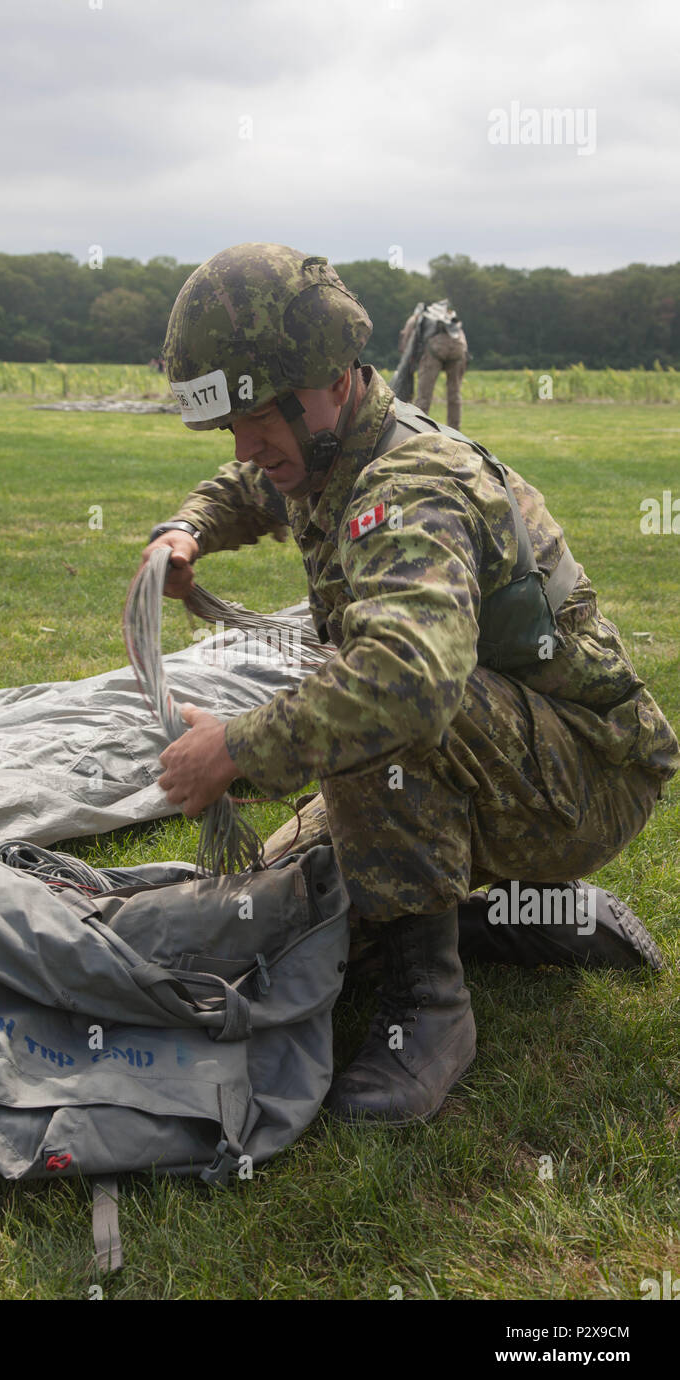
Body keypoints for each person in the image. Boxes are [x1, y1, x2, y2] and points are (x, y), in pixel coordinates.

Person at [136, 242, 679, 1127]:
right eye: (229, 422)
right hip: (528, 756)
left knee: (368, 703)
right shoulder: (327, 447)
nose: (247, 442)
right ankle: (515, 916)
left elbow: (406, 682)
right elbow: (254, 483)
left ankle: (431, 1009)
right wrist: (187, 529)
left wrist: (232, 751)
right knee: (295, 898)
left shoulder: (408, 484)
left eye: (258, 414)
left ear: (331, 381)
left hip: (586, 781)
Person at [397, 300, 468, 429]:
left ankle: (419, 428)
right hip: (459, 348)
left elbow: (405, 342)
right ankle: (455, 429)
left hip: (435, 348)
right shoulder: (448, 315)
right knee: (454, 393)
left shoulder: (416, 318)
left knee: (424, 395)